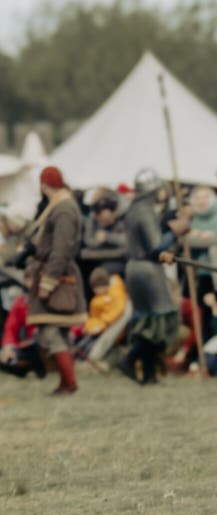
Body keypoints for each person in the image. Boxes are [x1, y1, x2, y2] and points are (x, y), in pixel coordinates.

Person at [26, 166, 87, 395]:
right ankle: (66, 382)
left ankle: (69, 383)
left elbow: (61, 249)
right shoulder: (60, 206)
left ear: (44, 185)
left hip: (58, 276)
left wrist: (48, 281)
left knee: (51, 332)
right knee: (57, 331)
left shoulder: (64, 208)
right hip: (54, 272)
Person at [119, 169, 182, 385]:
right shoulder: (144, 211)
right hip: (147, 269)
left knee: (148, 321)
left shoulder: (134, 209)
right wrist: (175, 232)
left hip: (134, 267)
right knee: (162, 322)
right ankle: (130, 358)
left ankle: (149, 375)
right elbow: (155, 246)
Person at [73, 266, 130, 363]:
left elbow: (116, 311)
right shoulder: (97, 300)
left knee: (92, 342)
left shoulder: (115, 294)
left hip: (107, 328)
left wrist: (101, 324)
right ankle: (76, 355)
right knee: (86, 339)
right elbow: (93, 316)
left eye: (98, 288)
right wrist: (89, 326)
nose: (96, 291)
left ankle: (85, 358)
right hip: (98, 328)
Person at [0, 264, 46, 379]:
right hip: (29, 344)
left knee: (34, 346)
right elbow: (11, 326)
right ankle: (20, 365)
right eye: (28, 279)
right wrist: (8, 346)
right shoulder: (21, 301)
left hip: (48, 343)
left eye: (35, 278)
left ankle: (29, 365)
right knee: (13, 353)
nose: (31, 282)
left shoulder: (52, 298)